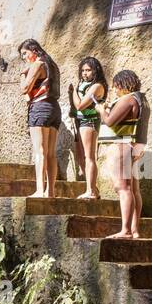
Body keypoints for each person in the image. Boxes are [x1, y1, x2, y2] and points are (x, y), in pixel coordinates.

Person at [99, 69, 148, 238]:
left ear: (122, 84)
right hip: (132, 144)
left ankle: (125, 230)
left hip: (121, 144)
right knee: (133, 189)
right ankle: (134, 230)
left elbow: (109, 120)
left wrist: (101, 109)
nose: (115, 90)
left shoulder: (128, 99)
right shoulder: (141, 99)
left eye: (115, 87)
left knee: (122, 187)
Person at [18, 39, 61, 198]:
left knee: (39, 151)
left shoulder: (38, 64)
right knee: (50, 153)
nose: (24, 57)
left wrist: (22, 75)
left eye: (25, 53)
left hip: (40, 107)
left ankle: (39, 190)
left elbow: (24, 89)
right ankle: (50, 192)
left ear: (34, 50)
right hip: (54, 108)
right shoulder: (52, 65)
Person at [69, 57, 107, 199]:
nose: (85, 73)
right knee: (80, 158)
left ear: (95, 71)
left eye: (88, 70)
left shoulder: (97, 86)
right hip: (80, 121)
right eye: (83, 70)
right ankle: (93, 188)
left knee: (89, 157)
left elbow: (80, 105)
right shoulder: (84, 84)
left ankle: (90, 190)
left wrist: (74, 91)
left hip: (89, 121)